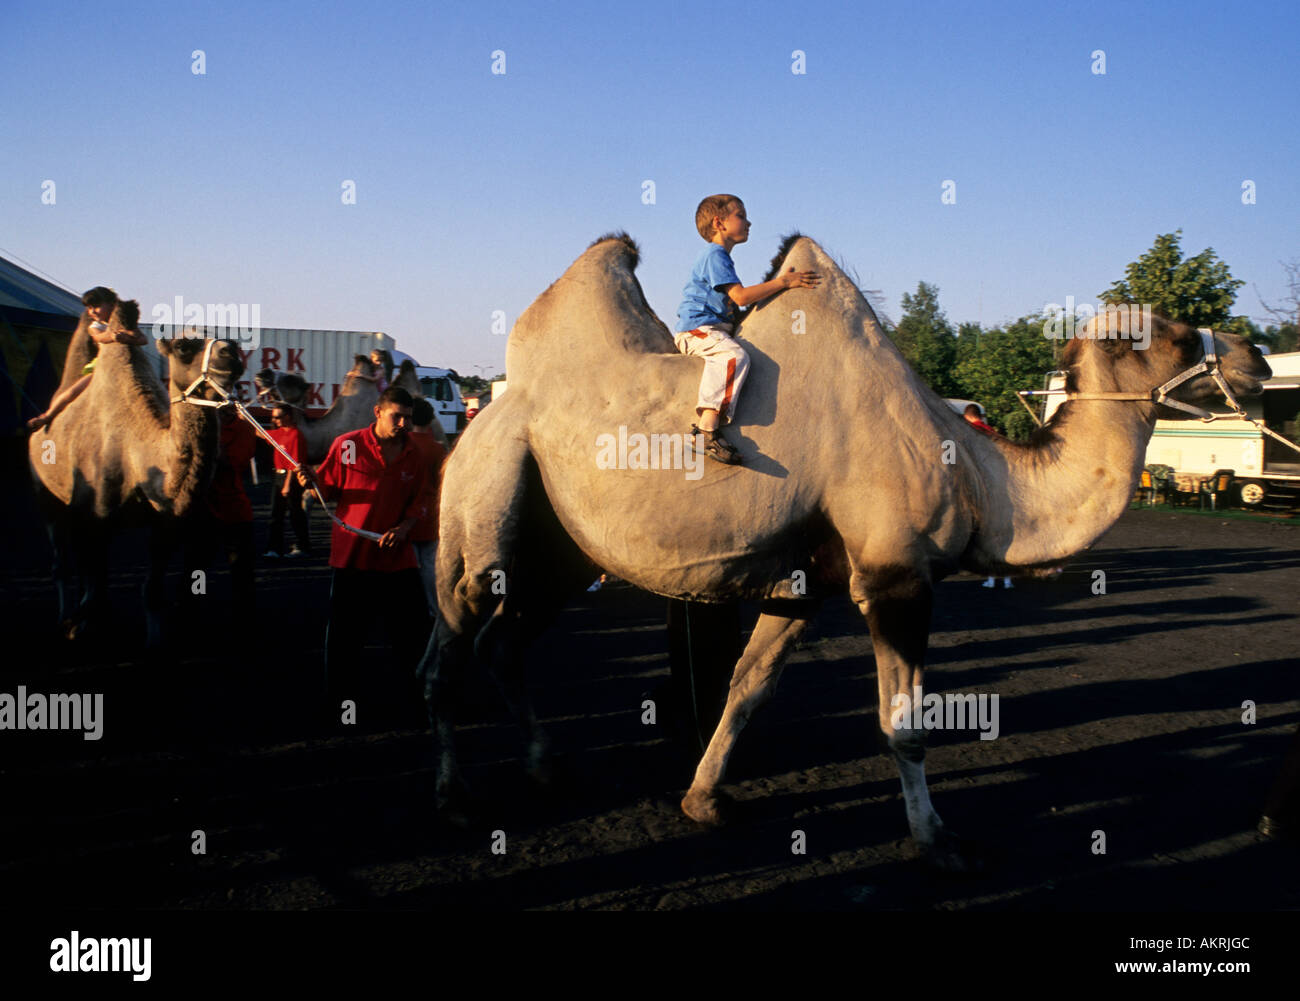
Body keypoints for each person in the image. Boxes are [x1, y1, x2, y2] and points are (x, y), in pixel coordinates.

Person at [297, 387, 431, 727]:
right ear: (377, 412)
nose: (402, 423)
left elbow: (421, 500)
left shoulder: (415, 454)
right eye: (395, 416)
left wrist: (404, 528)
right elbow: (325, 488)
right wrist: (309, 481)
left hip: (398, 560)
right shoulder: (348, 445)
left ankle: (420, 706)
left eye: (407, 417)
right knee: (345, 643)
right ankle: (342, 711)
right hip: (352, 560)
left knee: (413, 637)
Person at [675, 194, 820, 464]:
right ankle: (705, 430)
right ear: (719, 223)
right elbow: (741, 297)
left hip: (713, 329)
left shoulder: (721, 257)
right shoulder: (715, 255)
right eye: (741, 215)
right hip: (697, 329)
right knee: (734, 356)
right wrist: (784, 283)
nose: (749, 222)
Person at [27, 287, 146, 431]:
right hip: (103, 367)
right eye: (89, 308)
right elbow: (98, 337)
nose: (93, 311)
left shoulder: (126, 324)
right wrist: (113, 337)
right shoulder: (95, 326)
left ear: (112, 304)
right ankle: (47, 416)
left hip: (128, 366)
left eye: (96, 306)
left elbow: (142, 339)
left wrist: (129, 338)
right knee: (71, 392)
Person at [182, 404, 258, 621]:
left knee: (241, 569)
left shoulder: (243, 430)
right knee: (198, 567)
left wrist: (206, 438)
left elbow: (232, 460)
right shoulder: (203, 426)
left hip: (234, 510)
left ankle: (244, 614)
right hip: (204, 509)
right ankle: (194, 605)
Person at [407, 397, 448, 616]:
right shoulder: (437, 449)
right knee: (430, 565)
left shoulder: (403, 445)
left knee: (409, 564)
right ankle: (434, 608)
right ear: (431, 419)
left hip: (406, 512)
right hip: (431, 509)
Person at [264, 403, 312, 557]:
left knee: (295, 512)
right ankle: (274, 548)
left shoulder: (295, 435)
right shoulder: (279, 433)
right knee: (276, 514)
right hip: (279, 475)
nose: (275, 420)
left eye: (278, 417)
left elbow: (295, 464)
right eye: (273, 417)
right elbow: (259, 432)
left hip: (290, 477)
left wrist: (287, 485)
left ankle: (303, 546)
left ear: (288, 417)